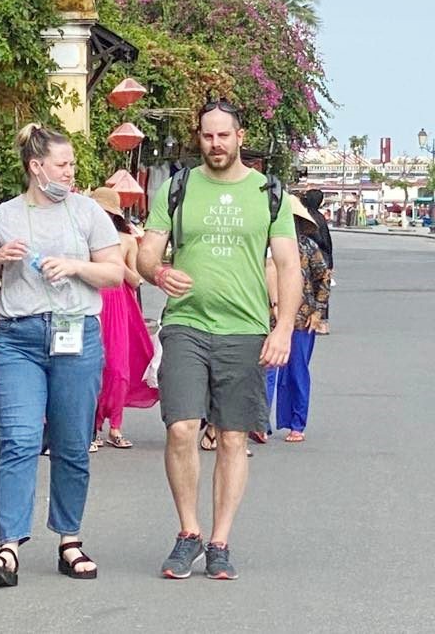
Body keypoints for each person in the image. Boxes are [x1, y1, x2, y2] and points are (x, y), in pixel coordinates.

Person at [136, 100, 300, 582]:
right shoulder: (178, 187)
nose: (215, 145)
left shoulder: (268, 193)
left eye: (223, 136)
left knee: (232, 436)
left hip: (245, 329)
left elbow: (288, 265)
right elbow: (147, 254)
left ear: (240, 136)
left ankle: (220, 541)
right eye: (207, 137)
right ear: (199, 137)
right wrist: (159, 273)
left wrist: (284, 327)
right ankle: (188, 533)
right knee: (182, 428)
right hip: (186, 324)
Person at [0, 123, 125, 587]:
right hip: (20, 337)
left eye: (73, 163)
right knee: (18, 441)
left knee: (73, 443)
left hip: (77, 335)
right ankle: (8, 546)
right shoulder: (4, 216)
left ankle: (69, 538)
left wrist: (76, 266)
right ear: (37, 168)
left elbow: (116, 274)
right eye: (63, 164)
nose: (71, 172)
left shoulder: (89, 213)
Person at [89, 186, 158, 452]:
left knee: (119, 367)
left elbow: (136, 279)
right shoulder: (85, 238)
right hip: (93, 301)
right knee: (94, 365)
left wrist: (116, 262)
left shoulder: (127, 241)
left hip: (119, 304)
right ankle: (92, 425)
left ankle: (115, 425)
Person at [264, 195, 331, 443]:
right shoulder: (264, 247)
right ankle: (260, 422)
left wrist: (317, 312)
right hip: (268, 317)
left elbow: (323, 279)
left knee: (297, 371)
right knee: (266, 370)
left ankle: (297, 423)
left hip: (302, 319)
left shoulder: (308, 248)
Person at [299, 188, 334, 335]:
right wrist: (330, 262)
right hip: (320, 257)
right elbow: (326, 242)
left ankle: (312, 320)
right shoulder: (319, 217)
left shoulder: (305, 217)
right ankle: (321, 321)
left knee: (308, 292)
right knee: (320, 291)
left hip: (308, 257)